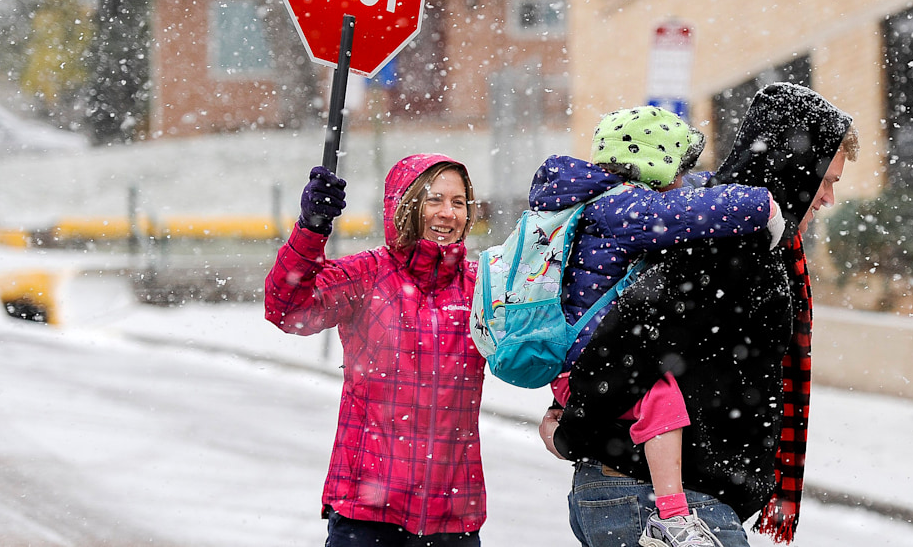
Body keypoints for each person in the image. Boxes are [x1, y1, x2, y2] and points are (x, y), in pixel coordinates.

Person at [540, 83, 859, 547]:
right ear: (794, 171)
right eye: (825, 180)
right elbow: (622, 343)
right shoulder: (730, 245)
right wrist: (574, 433)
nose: (828, 198)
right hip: (661, 504)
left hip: (666, 497)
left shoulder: (752, 240)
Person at [265, 154, 485, 547]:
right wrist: (310, 231)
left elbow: (531, 349)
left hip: (453, 516)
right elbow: (288, 308)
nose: (448, 213)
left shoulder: (480, 285)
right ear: (406, 205)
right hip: (366, 515)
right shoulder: (369, 273)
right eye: (434, 200)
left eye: (458, 202)